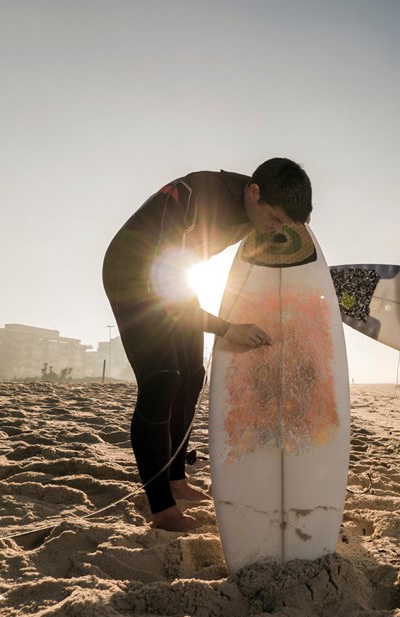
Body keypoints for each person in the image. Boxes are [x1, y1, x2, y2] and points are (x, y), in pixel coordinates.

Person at [103, 158, 311, 532]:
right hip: (133, 273)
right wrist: (226, 327)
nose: (275, 227)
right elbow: (160, 284)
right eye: (275, 219)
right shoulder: (196, 197)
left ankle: (176, 477)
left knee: (192, 376)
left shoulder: (258, 209)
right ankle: (162, 507)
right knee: (163, 379)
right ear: (254, 193)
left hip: (176, 279)